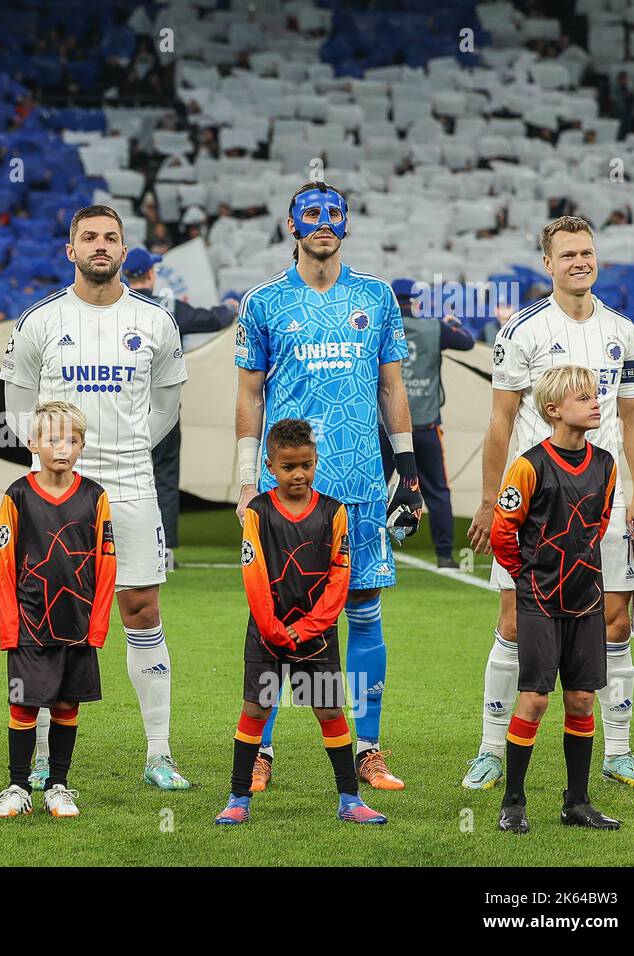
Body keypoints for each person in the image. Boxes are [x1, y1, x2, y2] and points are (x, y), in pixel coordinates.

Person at [235, 181, 423, 793]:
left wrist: (410, 473)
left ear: (347, 225)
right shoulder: (262, 302)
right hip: (285, 493)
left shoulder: (376, 297)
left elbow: (393, 389)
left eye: (334, 213)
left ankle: (367, 748)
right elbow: (249, 395)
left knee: (363, 615)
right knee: (276, 625)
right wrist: (245, 480)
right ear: (291, 225)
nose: (323, 221)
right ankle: (259, 751)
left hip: (362, 483)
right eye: (310, 213)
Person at [463, 216, 634, 790]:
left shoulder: (621, 331)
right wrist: (486, 502)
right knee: (514, 623)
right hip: (538, 507)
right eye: (568, 254)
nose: (580, 261)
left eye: (588, 252)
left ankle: (618, 753)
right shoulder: (522, 331)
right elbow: (500, 421)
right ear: (547, 264)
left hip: (608, 499)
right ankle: (491, 750)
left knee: (616, 624)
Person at [2, 203, 192, 791]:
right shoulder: (40, 322)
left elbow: (166, 407)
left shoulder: (156, 321)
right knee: (44, 619)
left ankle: (158, 753)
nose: (100, 246)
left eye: (111, 237)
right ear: (71, 250)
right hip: (56, 490)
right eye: (89, 237)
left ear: (124, 250)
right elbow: (15, 409)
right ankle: (35, 757)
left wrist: (128, 447)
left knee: (143, 611)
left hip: (132, 483)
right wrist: (53, 459)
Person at [217, 418, 387, 826]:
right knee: (255, 711)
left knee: (330, 712)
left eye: (306, 465)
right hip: (267, 635)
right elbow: (254, 574)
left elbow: (339, 577)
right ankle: (238, 798)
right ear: (269, 466)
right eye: (289, 466)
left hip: (317, 638)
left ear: (316, 461)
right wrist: (274, 628)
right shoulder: (258, 512)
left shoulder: (334, 511)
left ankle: (350, 799)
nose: (299, 474)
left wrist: (308, 627)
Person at [491, 365, 621, 832]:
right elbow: (504, 531)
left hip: (587, 599)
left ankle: (577, 803)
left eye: (595, 395)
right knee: (535, 700)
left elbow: (599, 522)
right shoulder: (528, 465)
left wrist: (578, 570)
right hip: (540, 600)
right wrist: (530, 576)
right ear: (553, 409)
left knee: (583, 699)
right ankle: (513, 803)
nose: (595, 402)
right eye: (583, 396)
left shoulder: (605, 464)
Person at [0, 401, 115, 819]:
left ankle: (58, 786)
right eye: (52, 439)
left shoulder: (96, 497)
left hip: (77, 626)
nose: (62, 448)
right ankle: (17, 786)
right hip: (29, 625)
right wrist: (10, 624)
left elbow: (107, 563)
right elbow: (3, 565)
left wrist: (97, 626)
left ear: (82, 445)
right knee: (23, 706)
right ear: (33, 444)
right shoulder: (18, 495)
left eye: (71, 440)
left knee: (66, 706)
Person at [123, 248, 237, 556]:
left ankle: (117, 544)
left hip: (120, 406)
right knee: (165, 475)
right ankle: (164, 549)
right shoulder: (166, 306)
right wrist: (230, 304)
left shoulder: (114, 308)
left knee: (120, 473)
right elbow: (212, 319)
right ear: (150, 274)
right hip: (162, 406)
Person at [382, 279, 475, 569]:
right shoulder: (435, 327)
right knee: (437, 492)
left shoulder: (381, 327)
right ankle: (445, 556)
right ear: (416, 301)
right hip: (425, 426)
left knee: (374, 489)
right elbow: (468, 342)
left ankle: (370, 551)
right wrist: (450, 321)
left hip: (385, 428)